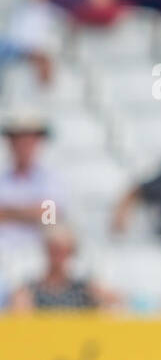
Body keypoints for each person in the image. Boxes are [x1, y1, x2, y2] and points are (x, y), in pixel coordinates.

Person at [10, 226, 117, 311]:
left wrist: (101, 298)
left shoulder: (83, 288)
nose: (59, 256)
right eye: (55, 250)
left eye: (65, 251)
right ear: (47, 250)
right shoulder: (31, 289)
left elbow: (113, 301)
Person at [0, 109, 60, 251]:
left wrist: (7, 213)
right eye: (18, 140)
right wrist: (31, 211)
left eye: (29, 140)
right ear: (11, 143)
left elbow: (49, 216)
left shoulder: (52, 179)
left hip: (38, 255)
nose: (23, 146)